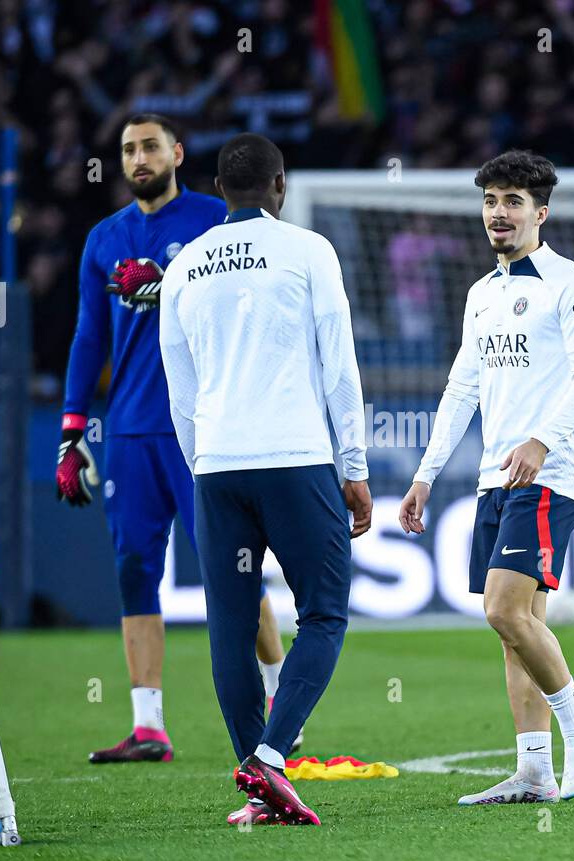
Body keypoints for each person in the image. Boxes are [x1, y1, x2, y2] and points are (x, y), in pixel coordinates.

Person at [57, 114, 298, 766]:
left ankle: (283, 708)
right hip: (131, 431)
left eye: (150, 146)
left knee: (234, 570)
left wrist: (167, 288)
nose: (139, 157)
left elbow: (245, 299)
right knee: (135, 569)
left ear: (177, 153)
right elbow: (88, 338)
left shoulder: (213, 222)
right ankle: (148, 727)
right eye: (129, 149)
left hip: (204, 426)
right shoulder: (104, 238)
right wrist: (72, 430)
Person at [159, 133, 372, 825]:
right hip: (294, 456)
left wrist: (203, 468)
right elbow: (338, 366)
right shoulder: (308, 250)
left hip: (218, 466)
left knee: (230, 624)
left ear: (219, 188)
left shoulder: (184, 266)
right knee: (325, 611)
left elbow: (180, 391)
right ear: (279, 185)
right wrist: (355, 466)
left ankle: (254, 777)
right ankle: (271, 759)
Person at [399, 149, 574, 805]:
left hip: (552, 475)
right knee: (514, 630)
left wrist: (542, 442)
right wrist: (426, 475)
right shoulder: (481, 294)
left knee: (503, 608)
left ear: (540, 213)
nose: (499, 212)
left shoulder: (570, 284)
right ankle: (533, 770)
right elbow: (462, 389)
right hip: (497, 479)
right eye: (490, 200)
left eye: (513, 201)